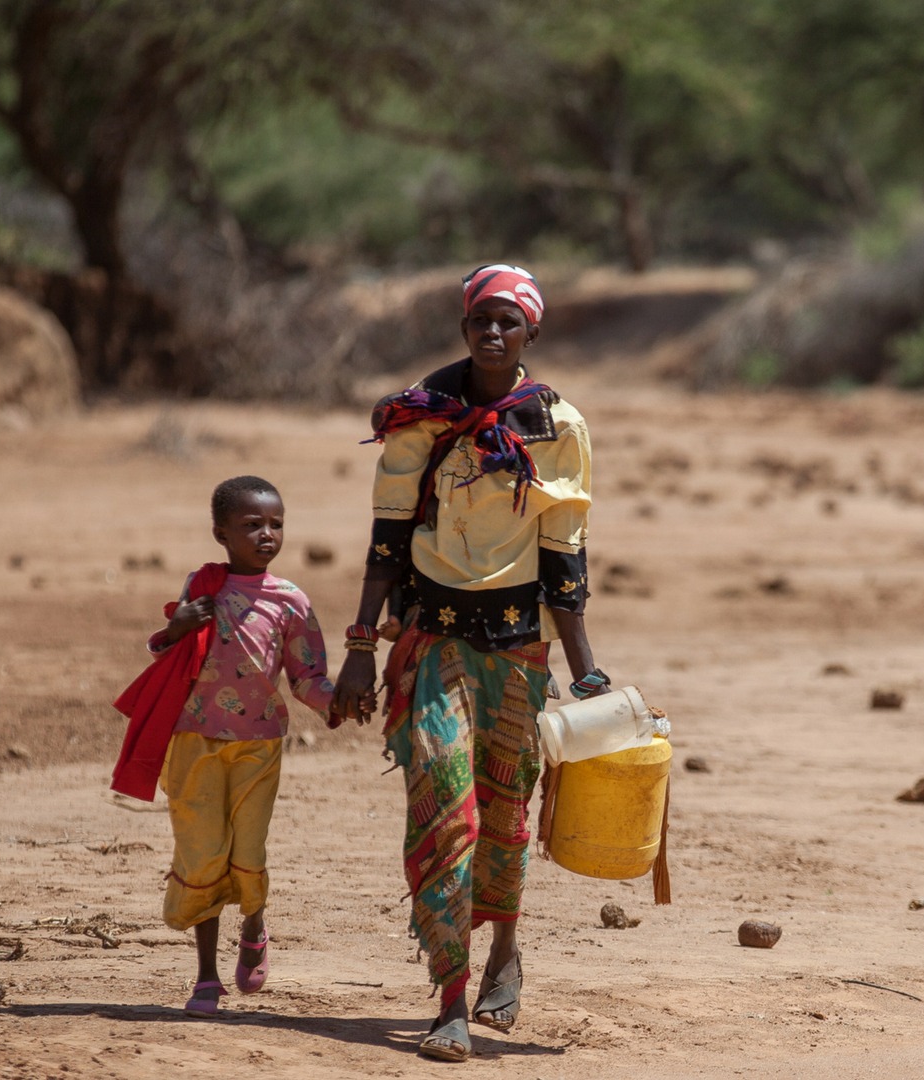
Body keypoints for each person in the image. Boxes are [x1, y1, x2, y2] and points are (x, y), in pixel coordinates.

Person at [333, 264, 608, 1062]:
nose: (492, 333)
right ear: (463, 329)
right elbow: (386, 541)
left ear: (531, 334)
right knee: (442, 808)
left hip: (519, 649)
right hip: (431, 643)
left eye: (507, 322)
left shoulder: (559, 425)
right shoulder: (420, 416)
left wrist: (584, 665)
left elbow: (565, 556)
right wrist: (357, 647)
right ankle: (450, 997)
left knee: (505, 813)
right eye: (479, 320)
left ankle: (505, 949)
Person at [148, 475, 345, 1017]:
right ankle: (206, 976)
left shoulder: (291, 601)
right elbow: (167, 654)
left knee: (248, 850)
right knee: (203, 853)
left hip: (258, 745)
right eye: (251, 525)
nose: (266, 534)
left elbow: (308, 677)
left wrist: (341, 704)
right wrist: (175, 627)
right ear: (221, 533)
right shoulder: (203, 586)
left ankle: (254, 923)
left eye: (276, 524)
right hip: (194, 742)